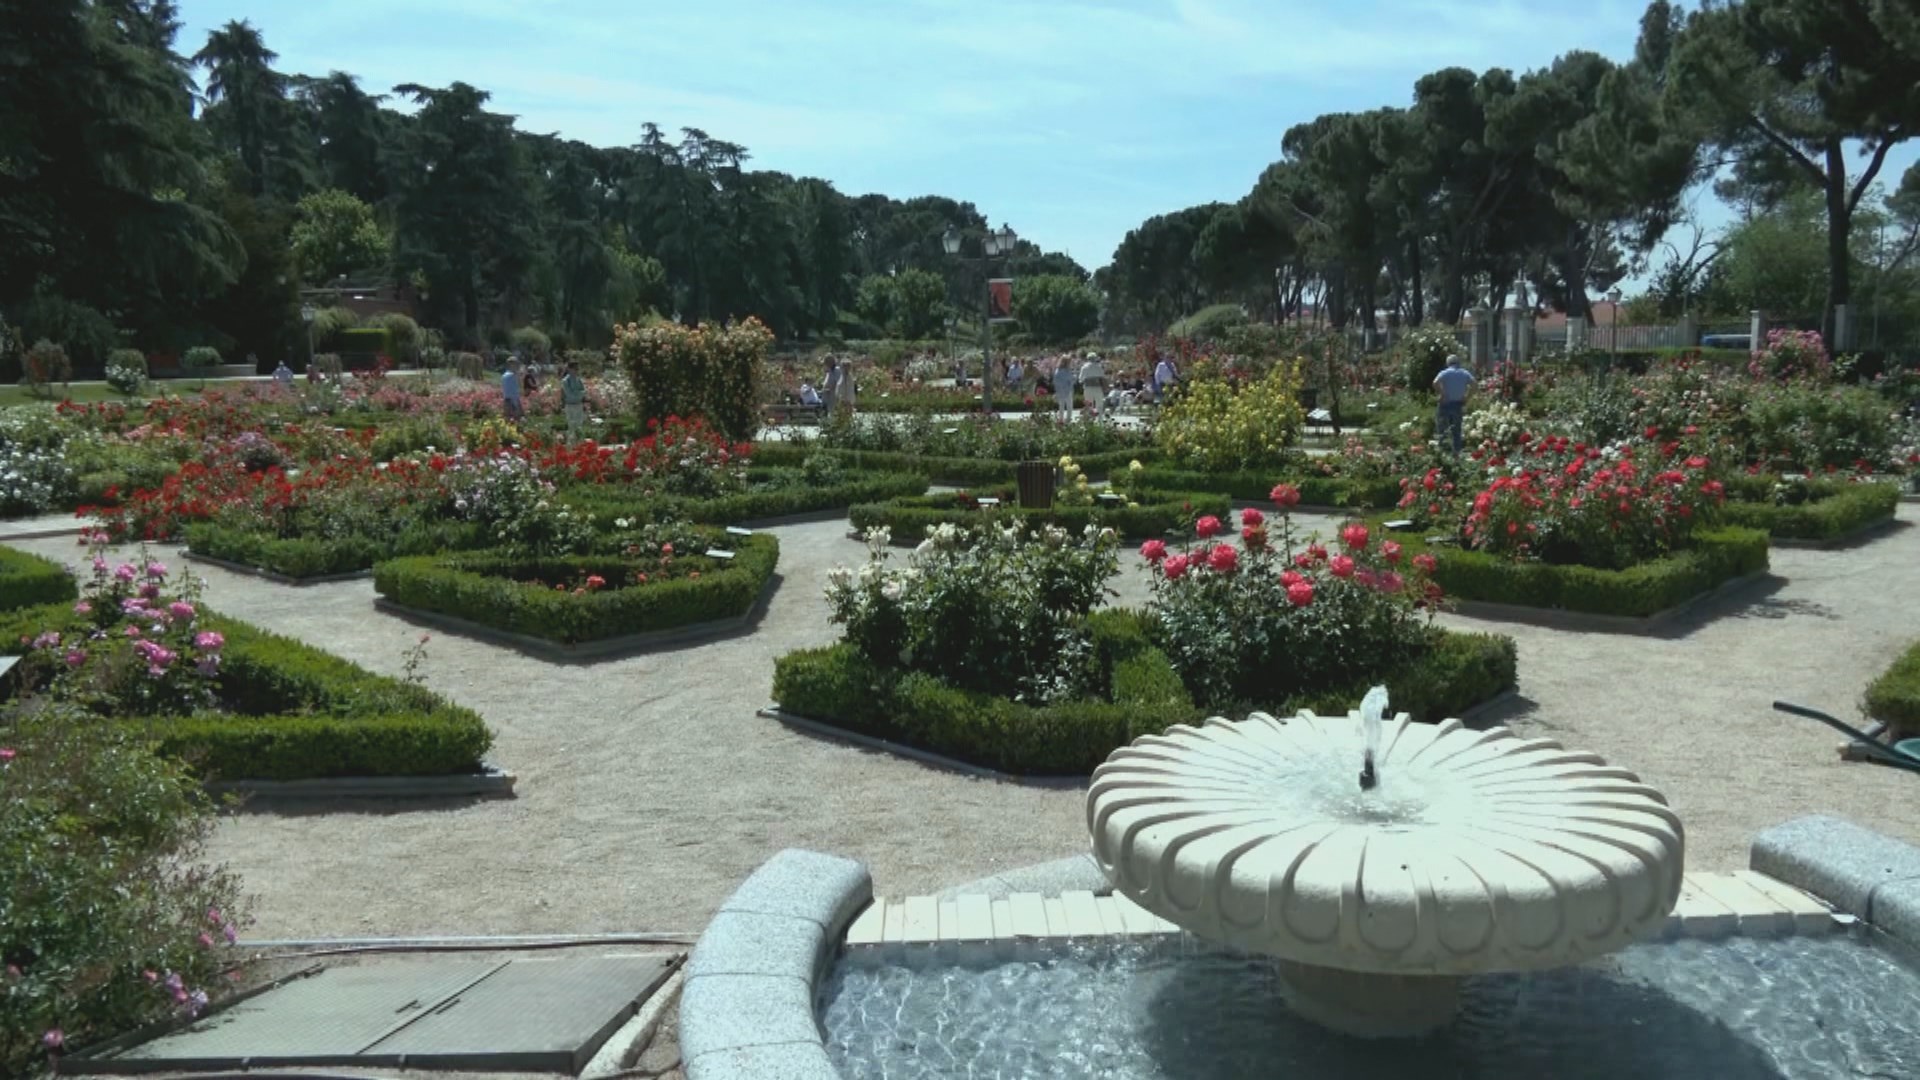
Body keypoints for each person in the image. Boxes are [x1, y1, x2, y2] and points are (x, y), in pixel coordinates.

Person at [1433, 353, 1474, 454]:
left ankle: (1442, 453)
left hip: (1445, 403)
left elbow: (1435, 383)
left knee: (1442, 430)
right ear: (1458, 363)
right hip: (1458, 404)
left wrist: (1443, 394)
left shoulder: (1445, 373)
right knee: (1456, 431)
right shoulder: (1464, 373)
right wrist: (1467, 397)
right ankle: (1457, 454)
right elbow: (1475, 385)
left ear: (1448, 363)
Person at [560, 362, 587, 442]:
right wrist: (579, 393)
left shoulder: (578, 380)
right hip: (570, 405)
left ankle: (579, 443)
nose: (576, 371)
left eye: (577, 369)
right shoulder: (565, 381)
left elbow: (584, 391)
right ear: (569, 369)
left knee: (579, 426)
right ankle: (571, 445)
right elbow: (569, 394)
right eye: (575, 369)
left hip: (579, 405)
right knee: (571, 426)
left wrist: (578, 393)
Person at [1078, 352, 1107, 419]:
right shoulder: (1099, 367)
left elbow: (1080, 380)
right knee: (1099, 404)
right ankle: (1100, 420)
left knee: (1089, 404)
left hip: (1088, 387)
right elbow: (1103, 377)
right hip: (1097, 387)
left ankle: (1089, 420)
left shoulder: (1084, 367)